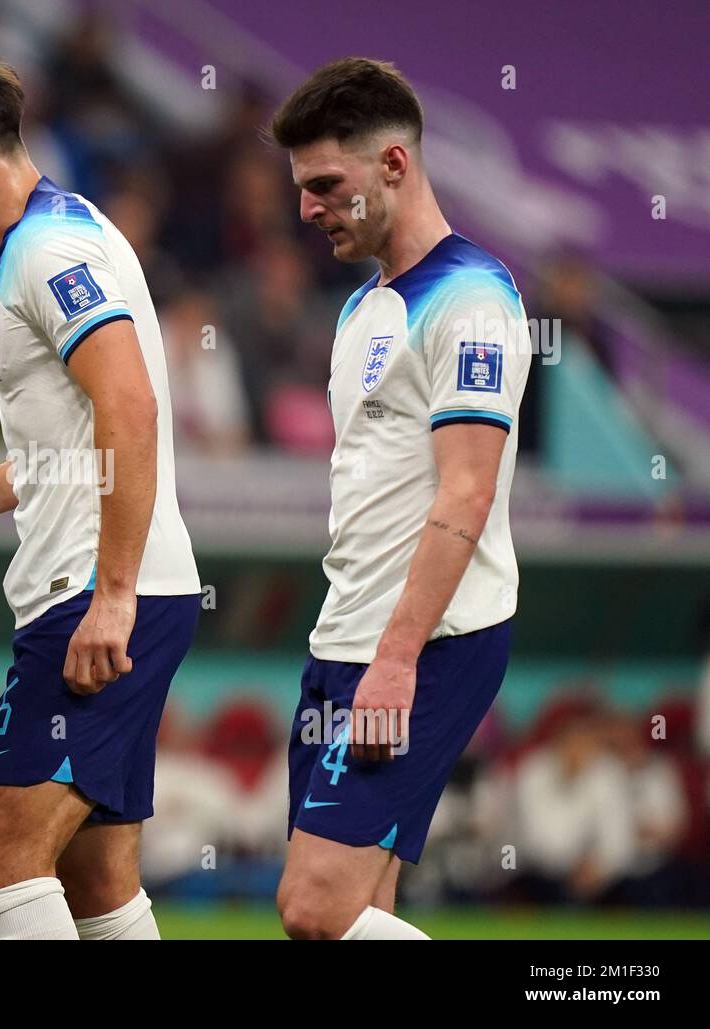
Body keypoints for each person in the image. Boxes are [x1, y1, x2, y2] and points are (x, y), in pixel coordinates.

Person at [0, 43, 200, 940]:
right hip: (120, 589)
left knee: (1, 851)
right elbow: (83, 434)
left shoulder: (47, 252)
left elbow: (129, 407)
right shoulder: (70, 231)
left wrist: (113, 593)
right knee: (96, 877)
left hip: (94, 598)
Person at [268, 57, 530, 940]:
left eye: (326, 185)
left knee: (313, 908)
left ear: (394, 165)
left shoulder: (474, 302)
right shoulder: (362, 310)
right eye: (302, 188)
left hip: (428, 644)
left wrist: (397, 656)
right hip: (348, 635)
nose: (308, 208)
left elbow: (468, 486)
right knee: (359, 915)